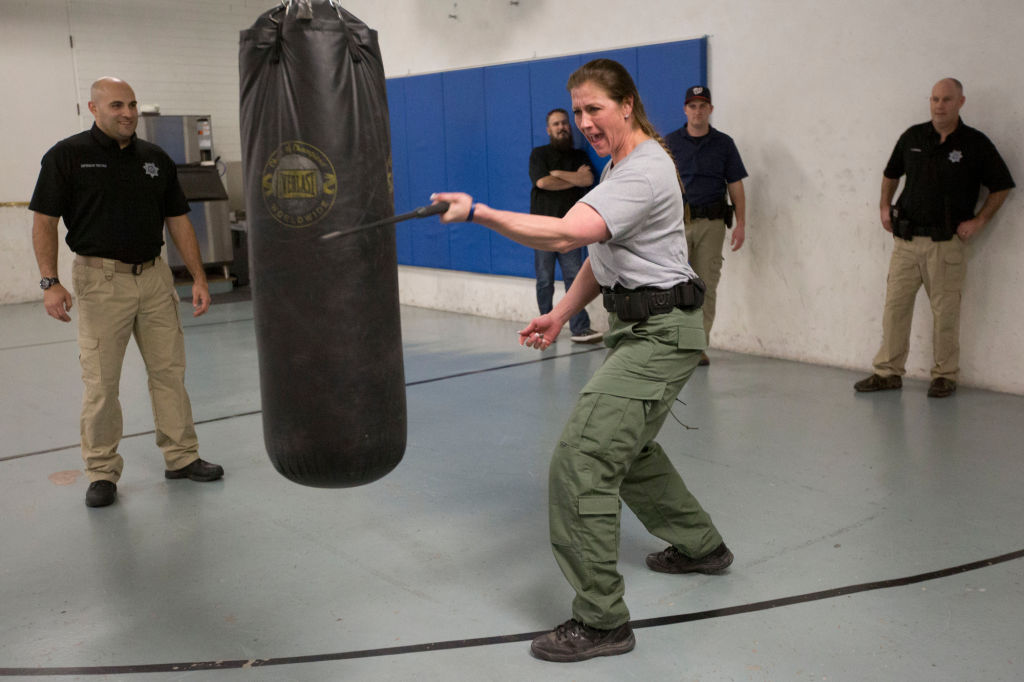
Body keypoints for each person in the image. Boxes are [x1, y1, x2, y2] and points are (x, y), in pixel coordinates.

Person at [432, 58, 731, 663]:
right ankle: (701, 548)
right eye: (577, 111)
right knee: (632, 448)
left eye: (595, 108)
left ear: (627, 105)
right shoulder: (621, 164)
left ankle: (602, 621)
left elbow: (568, 236)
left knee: (583, 459)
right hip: (640, 326)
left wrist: (481, 212)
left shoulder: (643, 168)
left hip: (660, 334)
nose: (585, 121)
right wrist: (563, 311)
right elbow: (602, 251)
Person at [30, 76, 224, 508]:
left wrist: (196, 276)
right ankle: (101, 471)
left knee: (169, 372)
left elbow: (177, 220)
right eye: (117, 105)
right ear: (94, 108)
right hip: (100, 282)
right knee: (102, 383)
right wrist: (50, 282)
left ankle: (181, 456)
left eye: (132, 104)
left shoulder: (155, 158)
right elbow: (44, 221)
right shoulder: (67, 156)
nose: (128, 113)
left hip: (154, 279)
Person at [854, 78, 1014, 398]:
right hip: (907, 242)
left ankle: (945, 375)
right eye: (935, 99)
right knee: (894, 309)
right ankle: (888, 372)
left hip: (945, 245)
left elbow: (1002, 185)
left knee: (945, 312)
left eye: (947, 99)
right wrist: (884, 205)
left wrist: (980, 220)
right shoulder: (913, 136)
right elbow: (891, 173)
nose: (939, 105)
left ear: (961, 102)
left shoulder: (975, 144)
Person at [665, 85, 748, 366]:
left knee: (705, 287)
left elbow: (735, 185)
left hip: (712, 225)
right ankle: (672, 343)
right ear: (685, 110)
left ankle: (697, 347)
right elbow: (660, 185)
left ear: (710, 109)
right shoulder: (669, 143)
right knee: (673, 287)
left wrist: (741, 224)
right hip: (676, 224)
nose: (697, 111)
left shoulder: (724, 144)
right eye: (692, 106)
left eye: (703, 106)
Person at [529, 108, 602, 344]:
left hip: (570, 228)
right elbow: (542, 182)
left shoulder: (579, 155)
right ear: (548, 130)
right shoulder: (539, 154)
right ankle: (542, 325)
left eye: (564, 123)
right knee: (544, 280)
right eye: (556, 124)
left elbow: (588, 180)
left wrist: (559, 174)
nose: (561, 127)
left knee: (574, 278)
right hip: (542, 229)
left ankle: (580, 328)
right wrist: (573, 179)